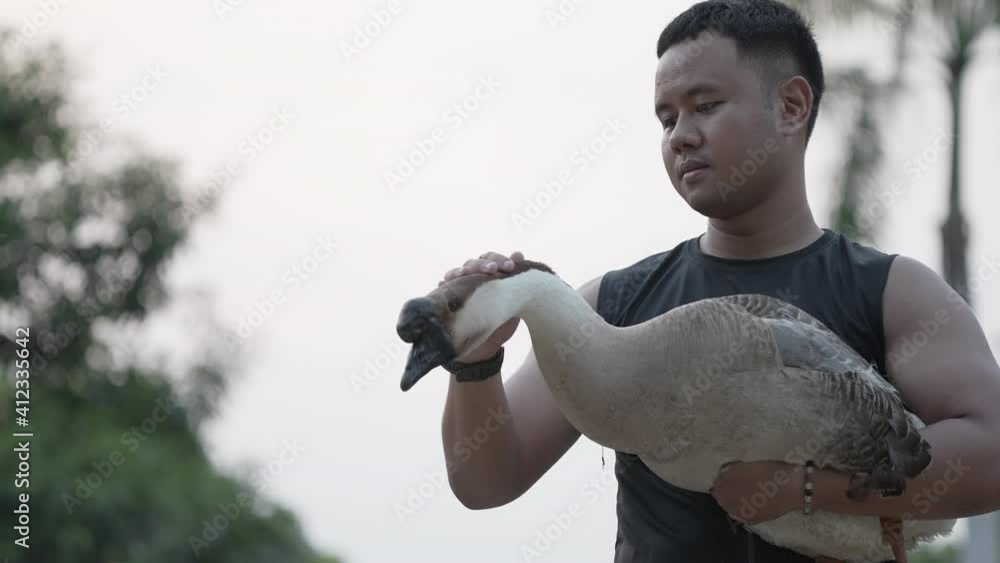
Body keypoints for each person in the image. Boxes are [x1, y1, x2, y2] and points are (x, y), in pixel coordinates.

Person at [436, 1, 1000, 561]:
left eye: (704, 106)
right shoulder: (610, 304)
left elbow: (992, 454)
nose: (680, 135)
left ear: (791, 105)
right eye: (666, 118)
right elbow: (489, 482)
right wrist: (474, 363)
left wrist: (800, 489)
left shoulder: (892, 290)